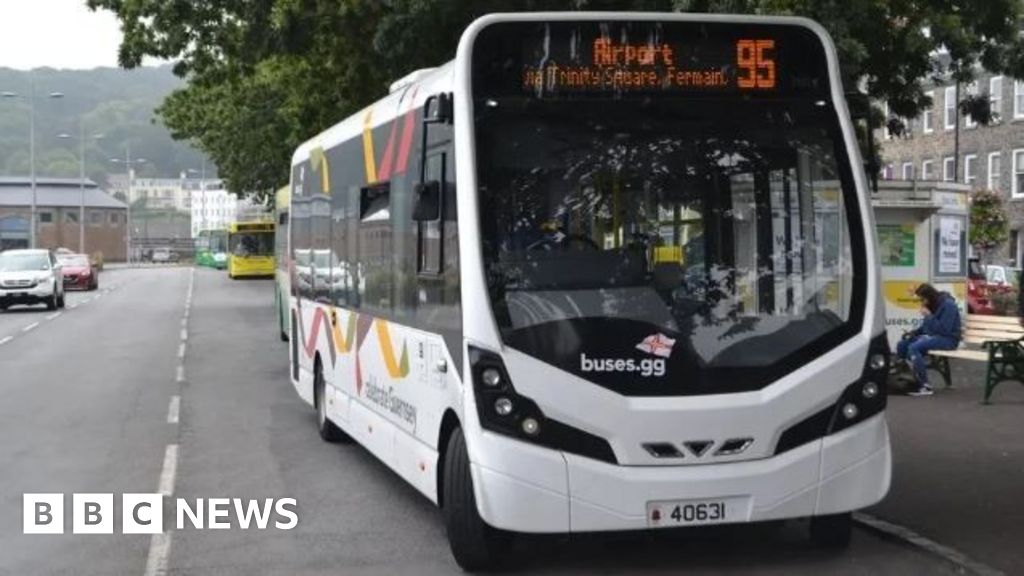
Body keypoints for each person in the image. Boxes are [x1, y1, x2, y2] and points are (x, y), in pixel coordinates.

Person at [895, 283, 962, 397]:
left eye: (923, 299)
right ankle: (906, 378)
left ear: (930, 296)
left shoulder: (948, 305)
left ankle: (925, 385)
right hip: (933, 337)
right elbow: (925, 327)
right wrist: (913, 333)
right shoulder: (933, 304)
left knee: (914, 348)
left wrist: (929, 316)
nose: (922, 302)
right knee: (902, 344)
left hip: (949, 339)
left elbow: (944, 330)